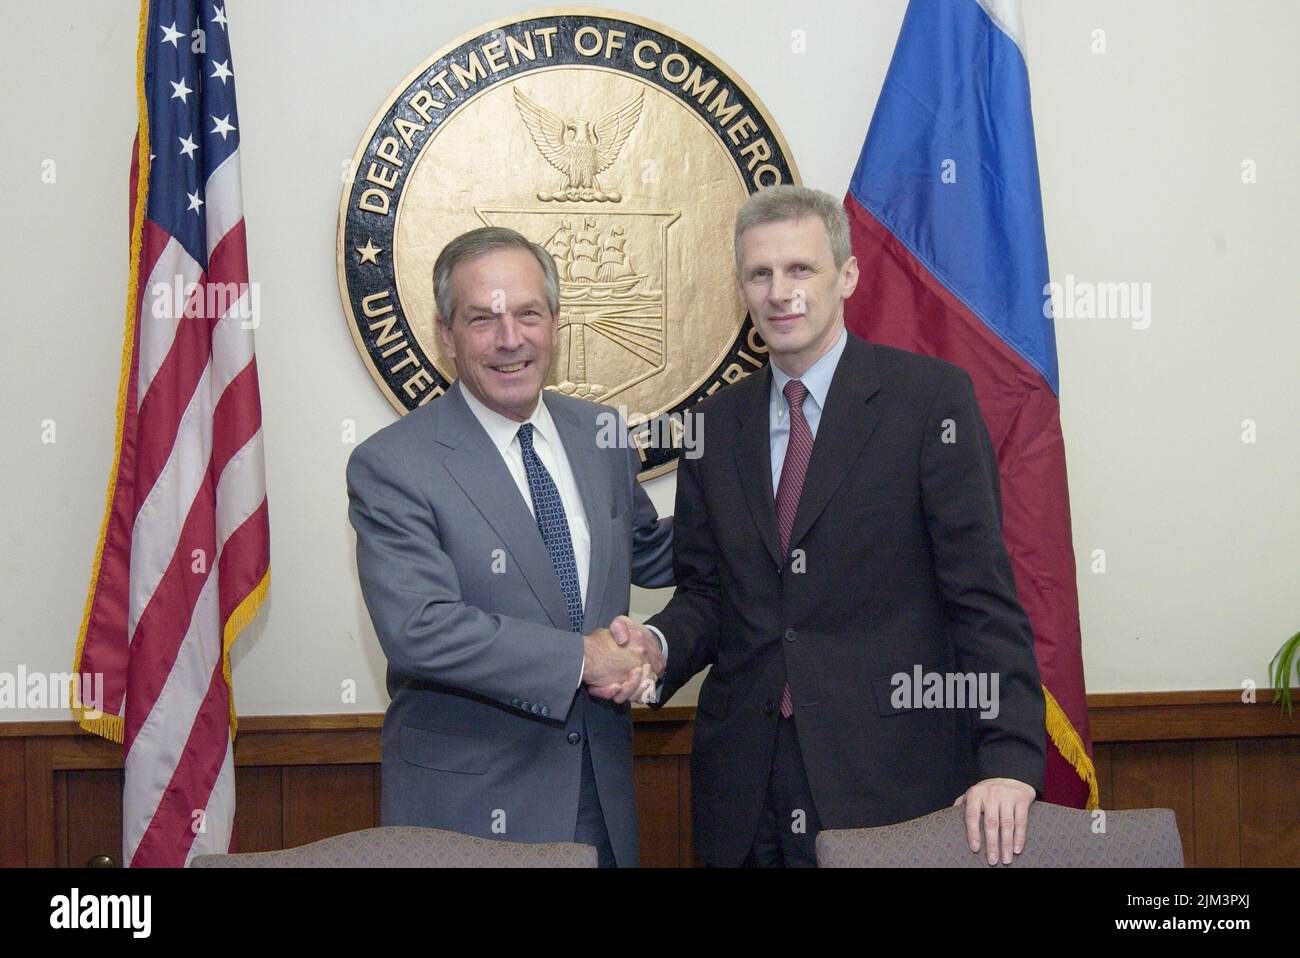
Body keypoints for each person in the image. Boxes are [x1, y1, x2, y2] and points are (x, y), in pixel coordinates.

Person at [607, 186, 1046, 867]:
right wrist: (659, 645)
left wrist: (1010, 757)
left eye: (800, 269)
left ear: (846, 276)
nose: (780, 291)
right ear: (742, 289)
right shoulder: (715, 427)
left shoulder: (929, 401)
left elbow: (981, 597)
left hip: (890, 780)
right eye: (760, 273)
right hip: (745, 786)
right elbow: (708, 596)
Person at [346, 227, 672, 867]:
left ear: (555, 321)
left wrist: (775, 501)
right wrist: (584, 659)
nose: (509, 339)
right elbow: (420, 628)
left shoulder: (600, 432)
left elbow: (650, 552)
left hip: (600, 797)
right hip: (467, 812)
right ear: (445, 334)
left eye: (528, 313)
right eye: (482, 319)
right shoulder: (392, 463)